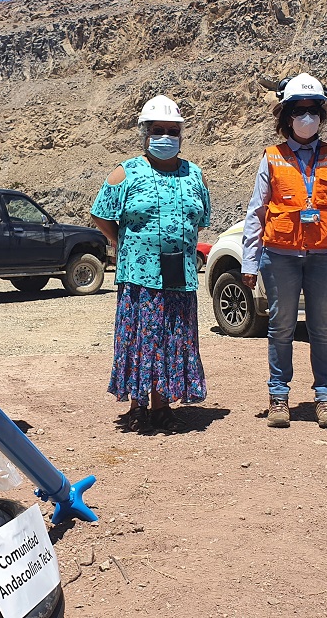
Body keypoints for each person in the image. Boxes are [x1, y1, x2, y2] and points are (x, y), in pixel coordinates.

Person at [90, 95, 211, 435]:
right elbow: (101, 213)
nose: (165, 136)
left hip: (180, 274)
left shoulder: (195, 174)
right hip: (139, 276)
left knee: (173, 338)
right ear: (145, 133)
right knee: (143, 339)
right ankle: (138, 406)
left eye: (173, 131)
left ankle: (162, 406)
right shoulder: (126, 172)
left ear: (181, 135)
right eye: (158, 129)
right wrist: (121, 242)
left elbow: (200, 219)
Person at [241, 73, 327, 430]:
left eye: (313, 110)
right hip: (280, 255)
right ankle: (278, 396)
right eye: (299, 110)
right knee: (281, 327)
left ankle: (324, 397)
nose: (307, 117)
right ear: (286, 116)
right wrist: (249, 261)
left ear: (322, 115)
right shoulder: (272, 157)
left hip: (326, 256)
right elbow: (257, 211)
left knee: (322, 328)